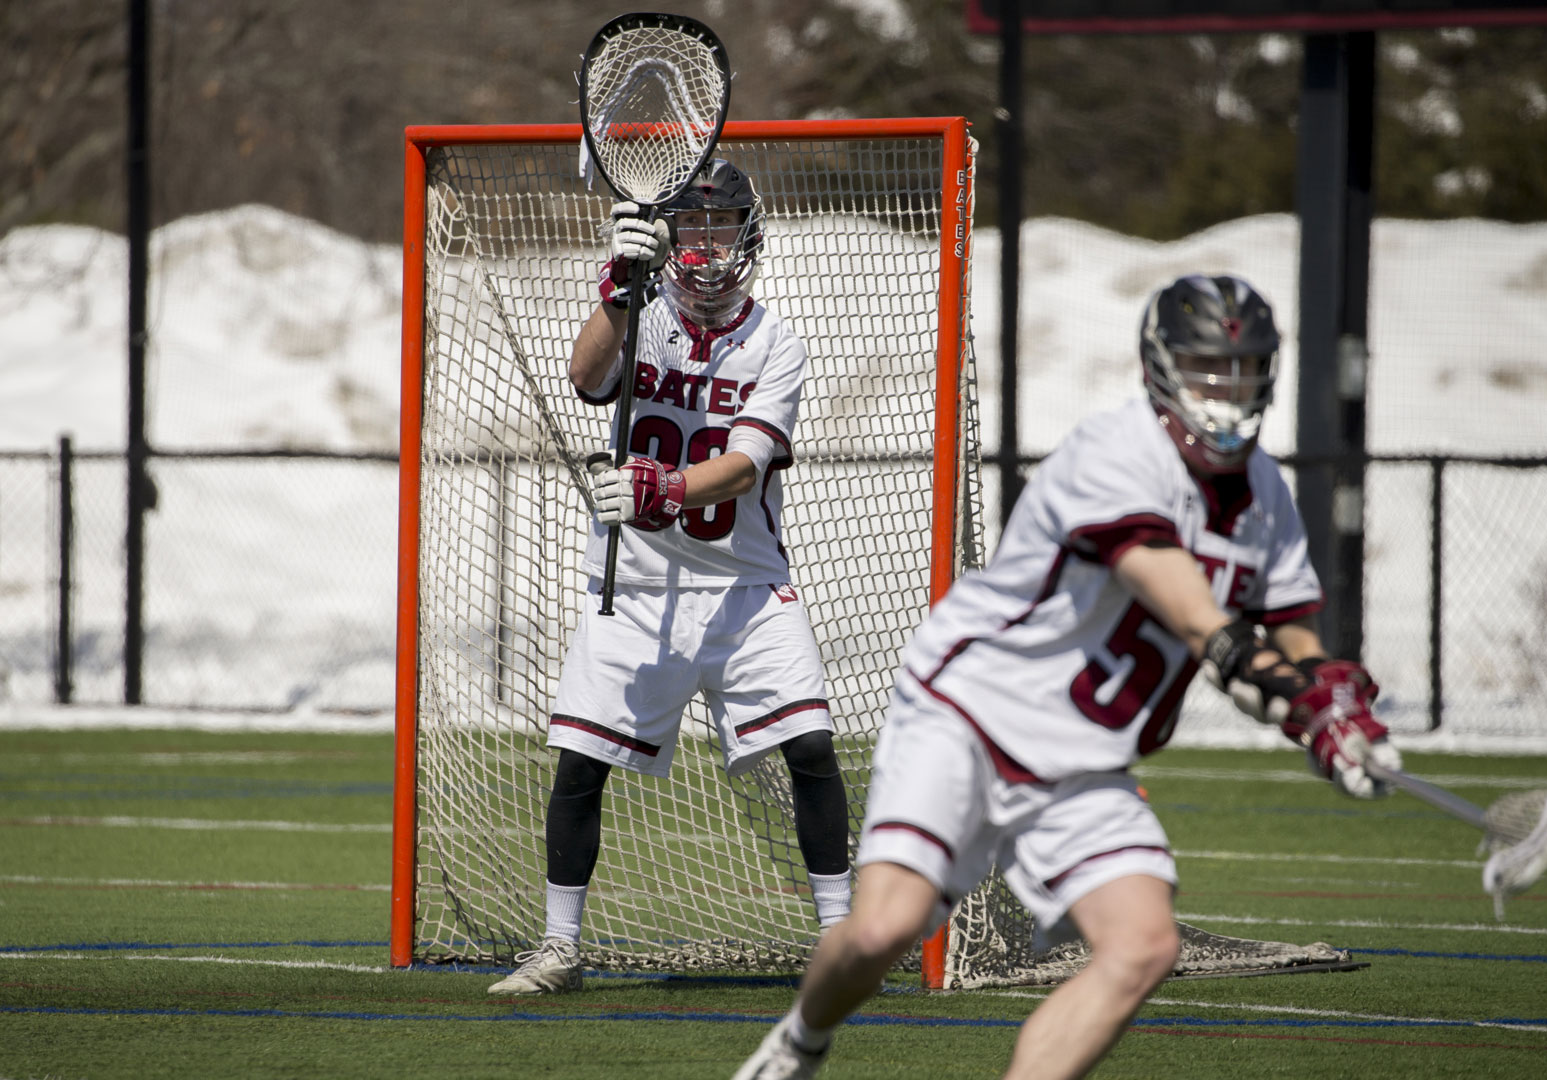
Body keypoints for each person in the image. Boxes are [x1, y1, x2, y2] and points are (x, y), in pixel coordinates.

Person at [732, 273, 1403, 1079]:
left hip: (1080, 757)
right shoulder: (1117, 450)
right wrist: (1260, 668)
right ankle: (799, 1041)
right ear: (1160, 369)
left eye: (1244, 372)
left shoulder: (1266, 494)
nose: (1227, 394)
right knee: (883, 930)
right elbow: (1180, 599)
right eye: (1207, 371)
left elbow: (1294, 633)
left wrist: (1333, 711)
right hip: (973, 712)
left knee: (1144, 945)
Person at [488, 159, 852, 995]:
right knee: (580, 763)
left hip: (745, 591)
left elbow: (746, 465)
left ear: (747, 236)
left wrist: (666, 487)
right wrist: (617, 289)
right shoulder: (642, 318)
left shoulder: (776, 343)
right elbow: (585, 377)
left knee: (811, 749)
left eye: (720, 226)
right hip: (638, 588)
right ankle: (559, 948)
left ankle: (840, 939)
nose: (704, 243)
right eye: (691, 227)